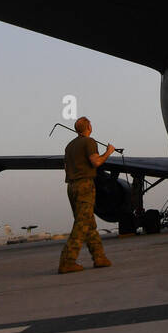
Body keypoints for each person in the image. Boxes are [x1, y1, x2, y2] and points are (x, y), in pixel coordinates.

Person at [59, 116, 115, 274]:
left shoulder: (69, 146)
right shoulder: (89, 142)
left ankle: (99, 257)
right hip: (85, 185)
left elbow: (65, 167)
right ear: (89, 127)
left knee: (89, 223)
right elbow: (96, 162)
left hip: (71, 186)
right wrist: (108, 152)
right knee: (82, 224)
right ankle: (67, 260)